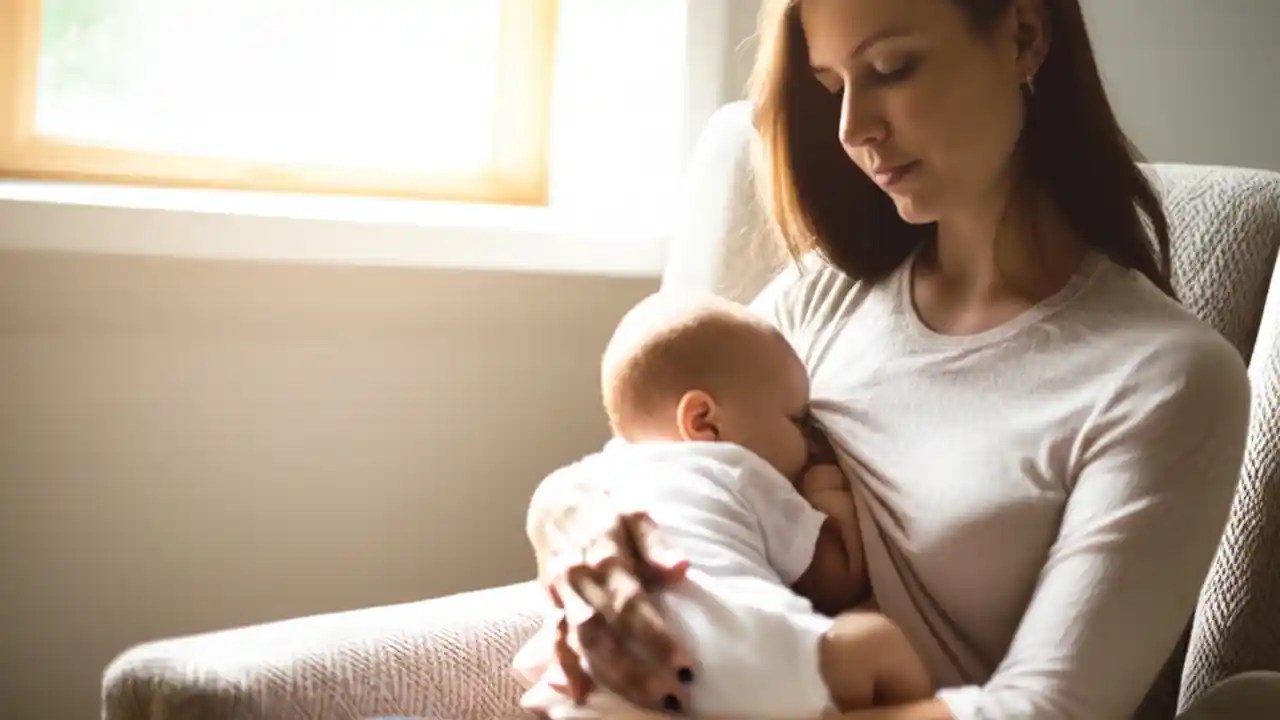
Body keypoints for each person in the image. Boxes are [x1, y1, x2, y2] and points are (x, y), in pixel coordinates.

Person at [523, 0, 1252, 718]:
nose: (852, 130)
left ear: (1024, 37)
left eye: (892, 69)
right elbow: (655, 457)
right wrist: (565, 519)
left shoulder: (1165, 380)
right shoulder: (825, 294)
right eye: (834, 86)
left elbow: (1045, 712)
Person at [517, 292, 930, 717]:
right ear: (705, 422)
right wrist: (828, 492)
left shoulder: (604, 472)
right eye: (798, 420)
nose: (810, 441)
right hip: (738, 660)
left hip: (601, 675)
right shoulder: (739, 470)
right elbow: (835, 579)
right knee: (877, 643)